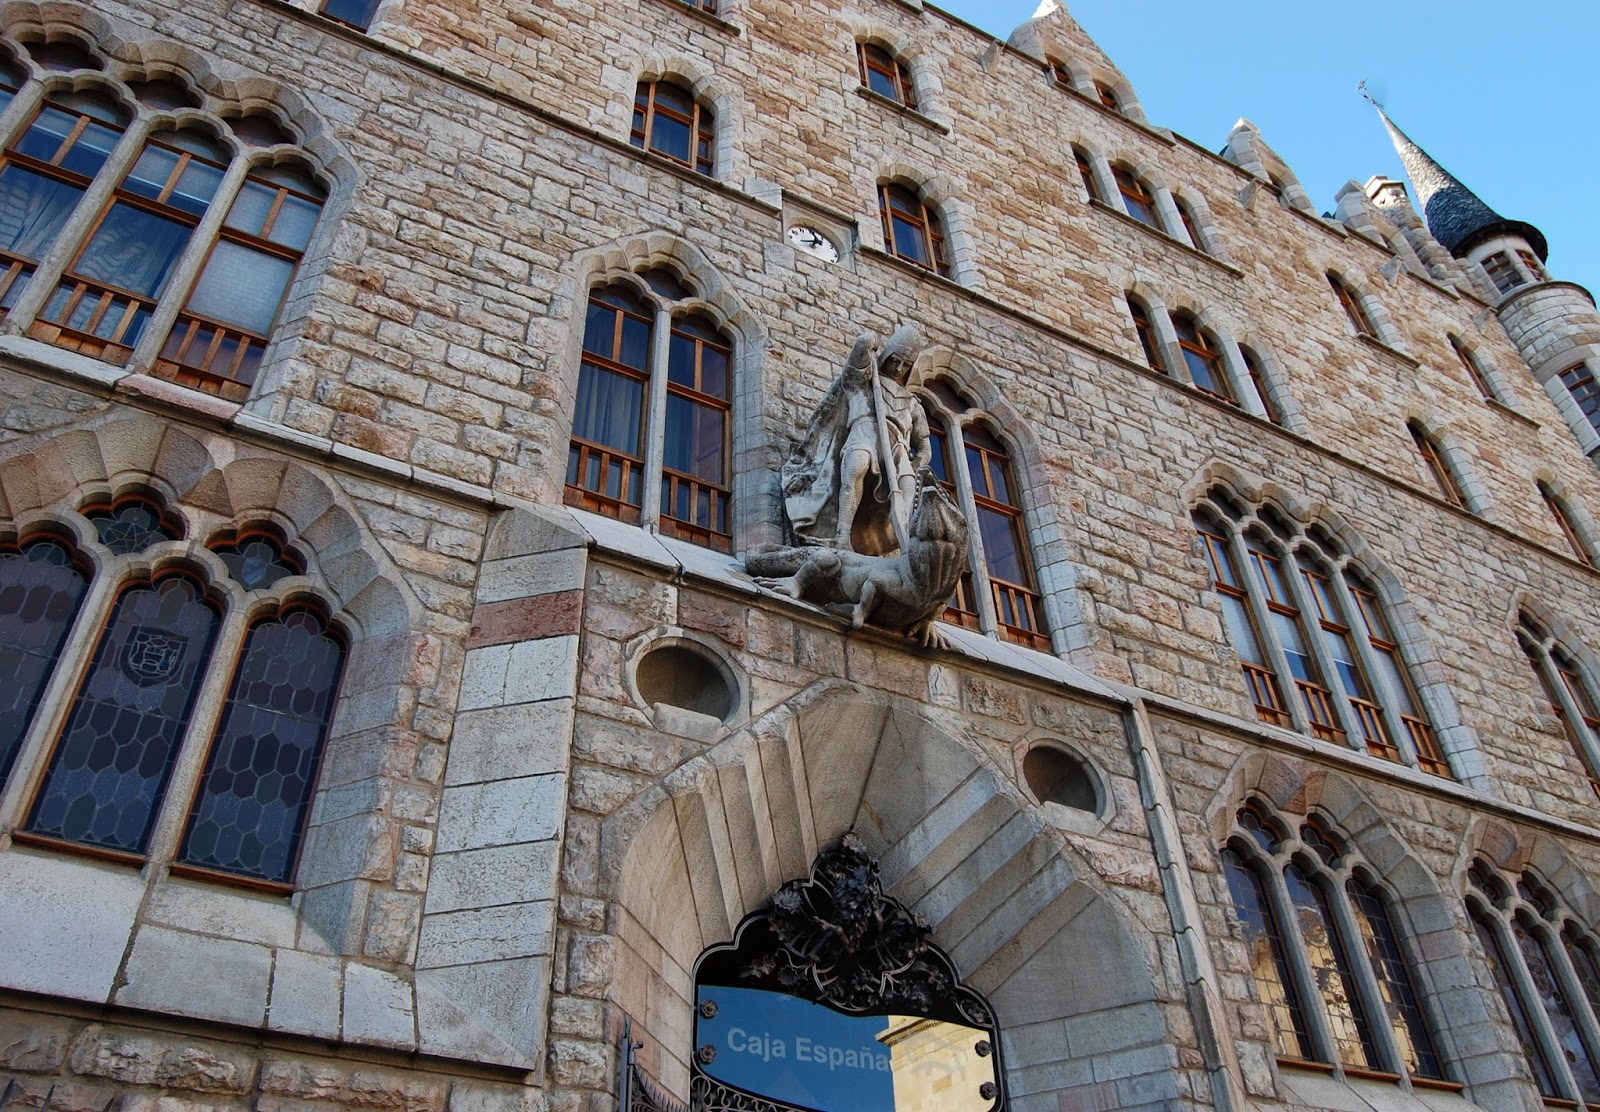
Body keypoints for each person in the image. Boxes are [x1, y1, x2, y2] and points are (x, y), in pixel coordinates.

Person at [780, 325, 930, 555]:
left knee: (908, 485)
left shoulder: (912, 404)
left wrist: (916, 464)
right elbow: (855, 363)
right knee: (856, 466)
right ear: (886, 356)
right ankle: (842, 534)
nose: (899, 368)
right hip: (864, 431)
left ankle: (905, 543)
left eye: (905, 365)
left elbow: (924, 447)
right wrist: (866, 341)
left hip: (897, 447)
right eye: (895, 360)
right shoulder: (863, 382)